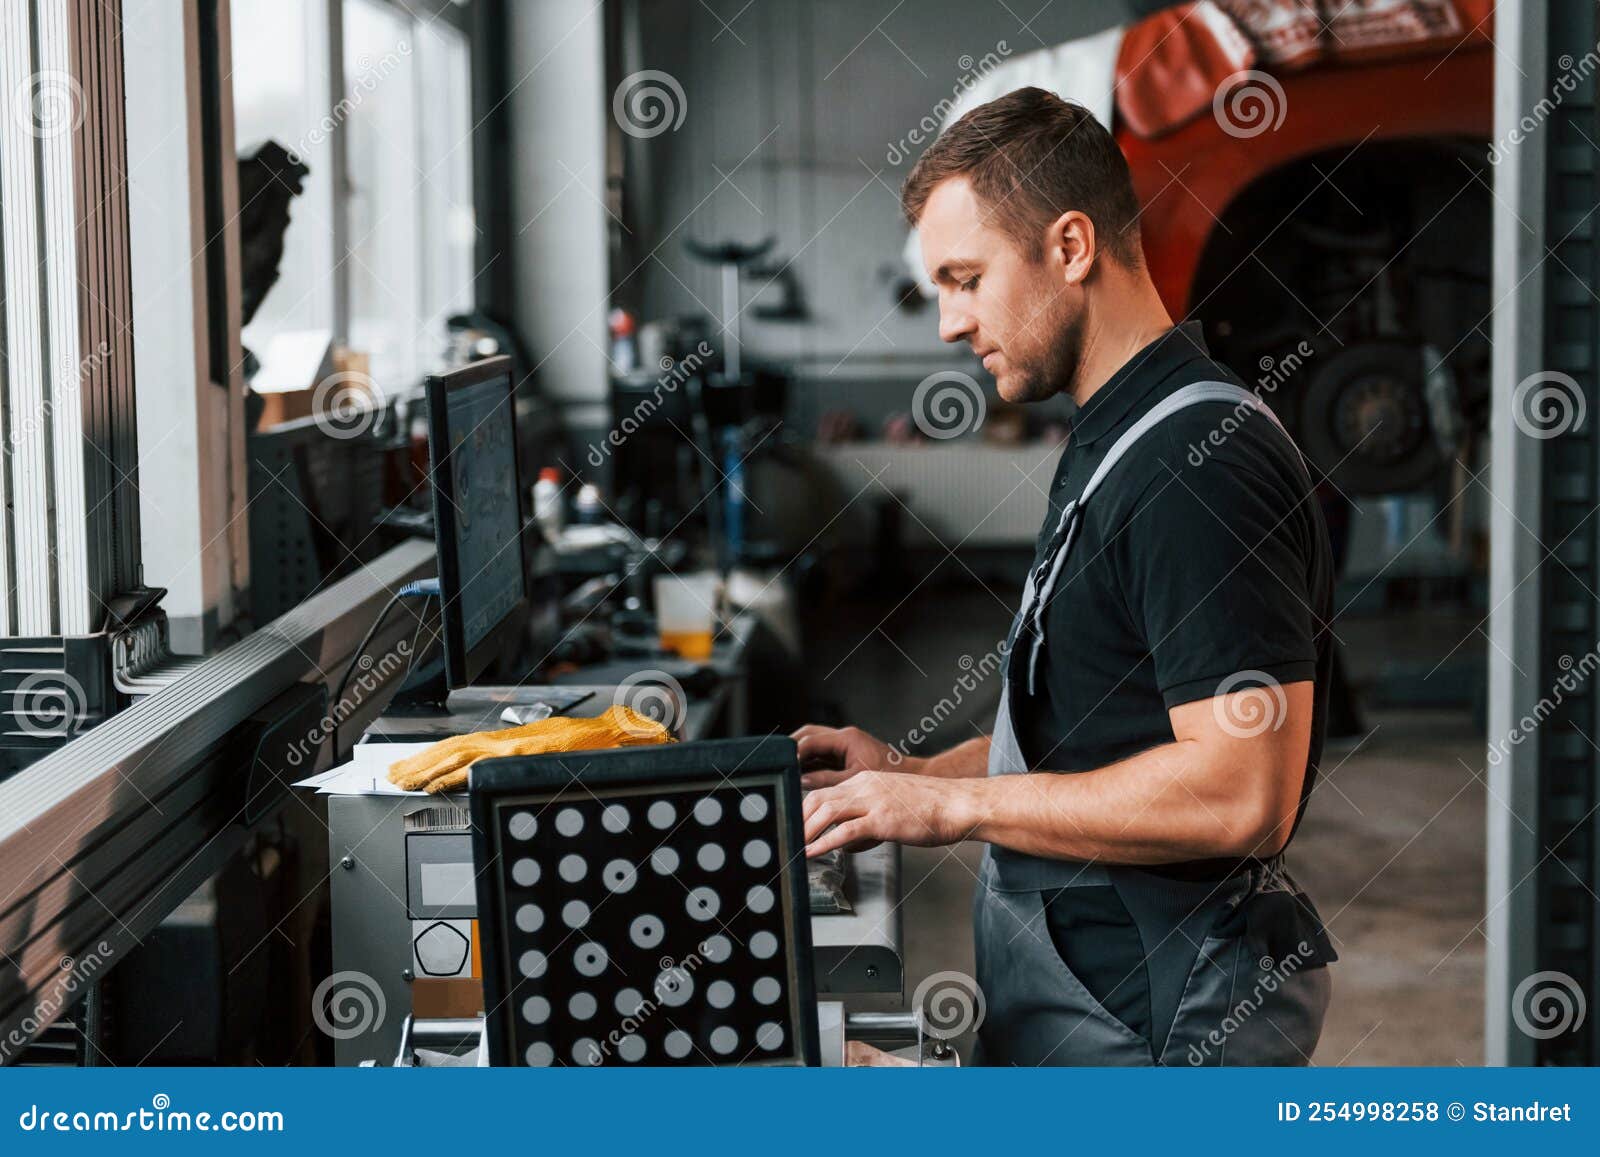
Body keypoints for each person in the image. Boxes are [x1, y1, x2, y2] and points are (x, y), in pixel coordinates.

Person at [795, 87, 1337, 1066]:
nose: (949, 323)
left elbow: (1241, 791)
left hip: (1164, 1019)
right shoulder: (1114, 436)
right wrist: (909, 776)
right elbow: (1092, 732)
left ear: (1072, 246)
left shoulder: (1196, 464)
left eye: (966, 278)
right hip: (1088, 1000)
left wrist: (954, 809)